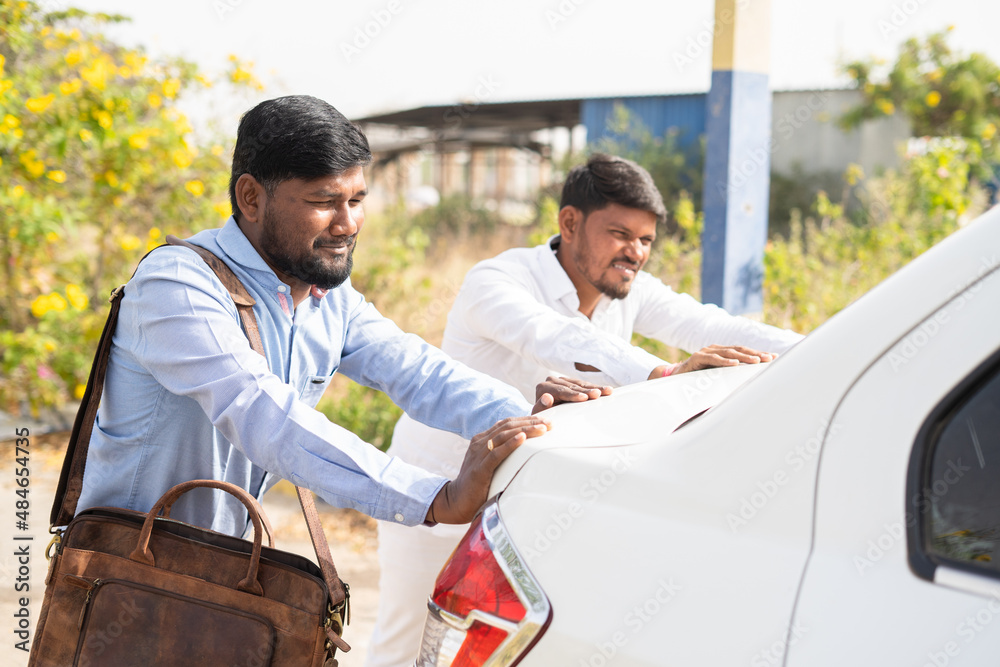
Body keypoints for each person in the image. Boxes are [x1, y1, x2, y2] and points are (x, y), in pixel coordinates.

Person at [76, 95, 604, 543]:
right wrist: (435, 499)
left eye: (356, 199)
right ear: (251, 198)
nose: (347, 224)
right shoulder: (178, 286)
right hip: (125, 575)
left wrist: (534, 421)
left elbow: (419, 372)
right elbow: (265, 417)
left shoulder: (325, 295)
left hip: (218, 575)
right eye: (324, 201)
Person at [366, 153, 805, 666]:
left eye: (645, 240)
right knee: (407, 647)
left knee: (511, 651)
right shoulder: (497, 281)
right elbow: (554, 337)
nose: (635, 253)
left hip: (530, 504)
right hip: (438, 496)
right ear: (570, 223)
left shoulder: (628, 290)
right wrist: (664, 372)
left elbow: (714, 326)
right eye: (620, 234)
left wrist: (831, 346)